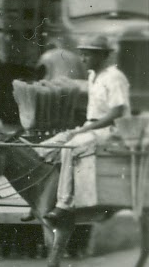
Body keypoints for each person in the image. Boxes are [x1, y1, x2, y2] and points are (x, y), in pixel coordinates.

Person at [43, 35, 131, 224]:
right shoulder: (92, 76)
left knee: (70, 147)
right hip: (92, 128)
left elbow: (117, 112)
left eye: (87, 55)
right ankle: (44, 200)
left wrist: (84, 130)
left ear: (102, 56)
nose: (82, 59)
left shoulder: (114, 77)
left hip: (112, 130)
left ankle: (64, 205)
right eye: (82, 54)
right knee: (47, 147)